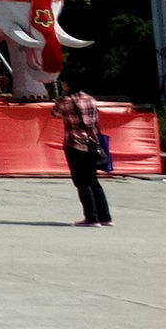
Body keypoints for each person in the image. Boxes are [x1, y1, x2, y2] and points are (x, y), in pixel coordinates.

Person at [52, 83, 112, 226]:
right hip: (92, 143)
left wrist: (61, 96)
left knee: (82, 182)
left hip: (75, 144)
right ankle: (105, 217)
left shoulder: (65, 101)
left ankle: (91, 217)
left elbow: (55, 113)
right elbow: (96, 120)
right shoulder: (91, 99)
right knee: (93, 181)